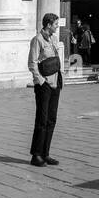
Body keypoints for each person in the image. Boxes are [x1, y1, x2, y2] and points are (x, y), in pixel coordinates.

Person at [28, 13, 63, 167]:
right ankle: (36, 155)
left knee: (51, 119)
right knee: (41, 120)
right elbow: (32, 62)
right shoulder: (37, 40)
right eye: (56, 24)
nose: (57, 26)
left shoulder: (54, 39)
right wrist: (40, 81)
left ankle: (45, 153)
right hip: (44, 85)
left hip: (56, 83)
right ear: (48, 24)